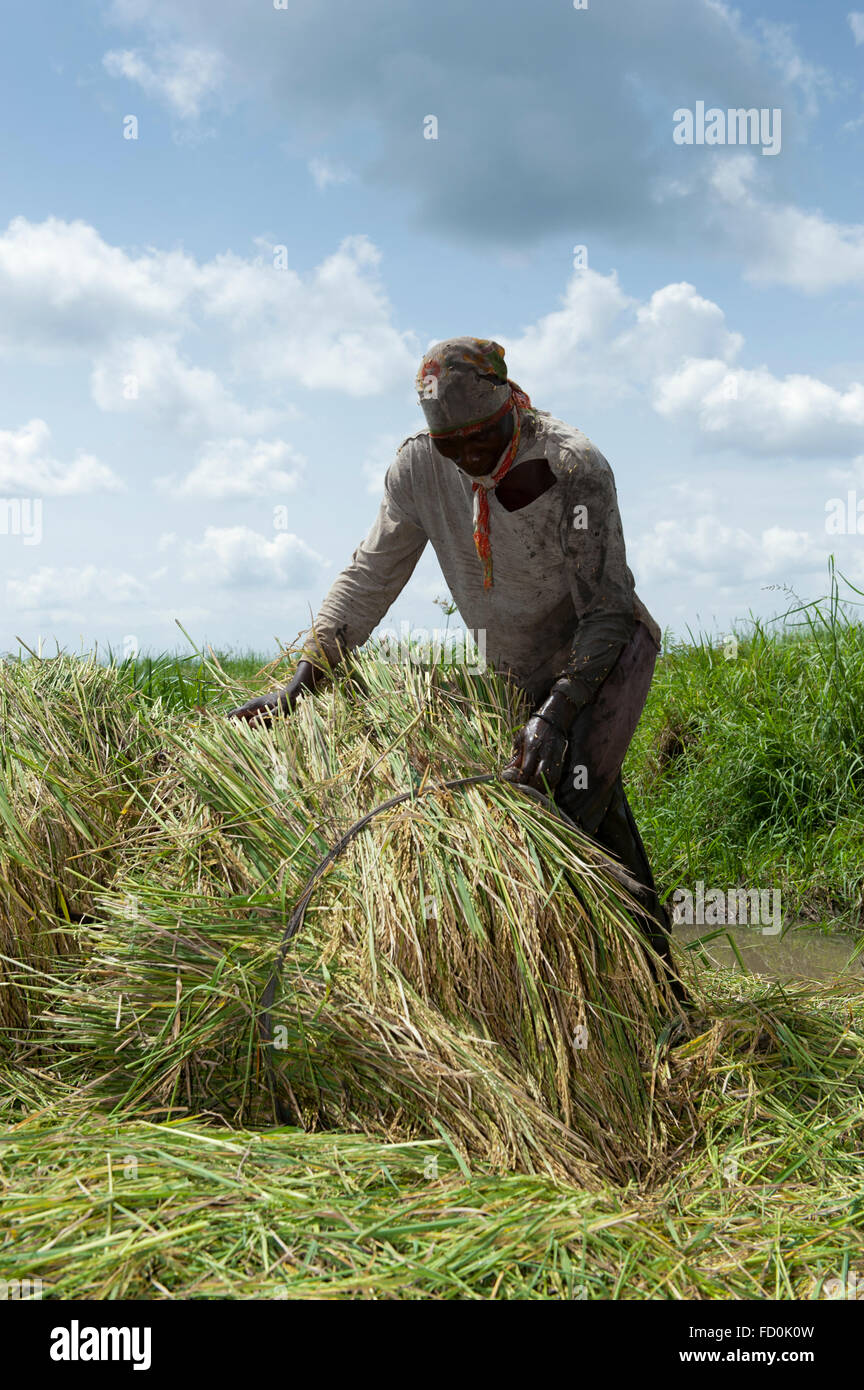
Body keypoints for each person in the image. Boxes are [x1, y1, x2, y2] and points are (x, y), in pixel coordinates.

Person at [229, 337, 682, 997]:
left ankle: (614, 1001)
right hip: (520, 668)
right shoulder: (418, 471)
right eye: (454, 445)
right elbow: (371, 575)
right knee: (597, 813)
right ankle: (659, 982)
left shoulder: (569, 466)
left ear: (513, 406)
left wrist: (555, 717)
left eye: (484, 437)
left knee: (561, 819)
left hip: (604, 660)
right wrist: (301, 687)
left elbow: (608, 612)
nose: (472, 458)